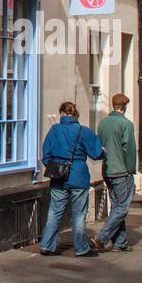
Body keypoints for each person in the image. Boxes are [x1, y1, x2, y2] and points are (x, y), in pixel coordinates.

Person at [39, 101, 104, 257]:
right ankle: (81, 248)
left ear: (61, 113)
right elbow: (96, 153)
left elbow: (46, 154)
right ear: (75, 115)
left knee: (54, 212)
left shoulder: (54, 130)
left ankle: (47, 245)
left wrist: (54, 167)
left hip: (58, 178)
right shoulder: (84, 131)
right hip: (78, 177)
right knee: (79, 215)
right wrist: (104, 152)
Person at [94, 94, 137, 251]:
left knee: (116, 206)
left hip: (108, 170)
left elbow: (100, 146)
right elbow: (129, 150)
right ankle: (101, 238)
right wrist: (131, 170)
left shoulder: (103, 123)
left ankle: (120, 242)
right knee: (122, 208)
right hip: (121, 171)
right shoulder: (126, 124)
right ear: (124, 107)